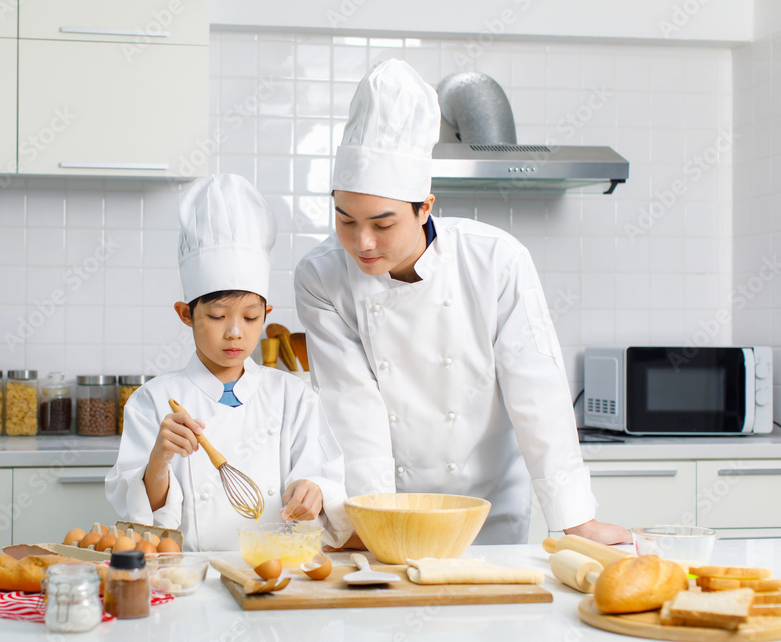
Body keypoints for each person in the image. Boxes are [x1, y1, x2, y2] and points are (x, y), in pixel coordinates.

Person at [294, 59, 630, 546]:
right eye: (345, 220)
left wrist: (575, 517)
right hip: (389, 508)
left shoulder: (496, 260)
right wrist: (367, 519)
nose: (362, 242)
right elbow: (352, 405)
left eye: (382, 224)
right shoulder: (321, 275)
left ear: (425, 208)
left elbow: (537, 391)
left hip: (487, 510)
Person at [107, 173, 352, 551]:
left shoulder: (292, 396)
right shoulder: (151, 401)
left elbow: (324, 481)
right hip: (189, 576)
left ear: (267, 313)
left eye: (251, 317)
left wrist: (313, 492)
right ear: (186, 315)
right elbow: (142, 523)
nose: (235, 333)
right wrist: (160, 458)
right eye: (218, 317)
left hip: (274, 576)